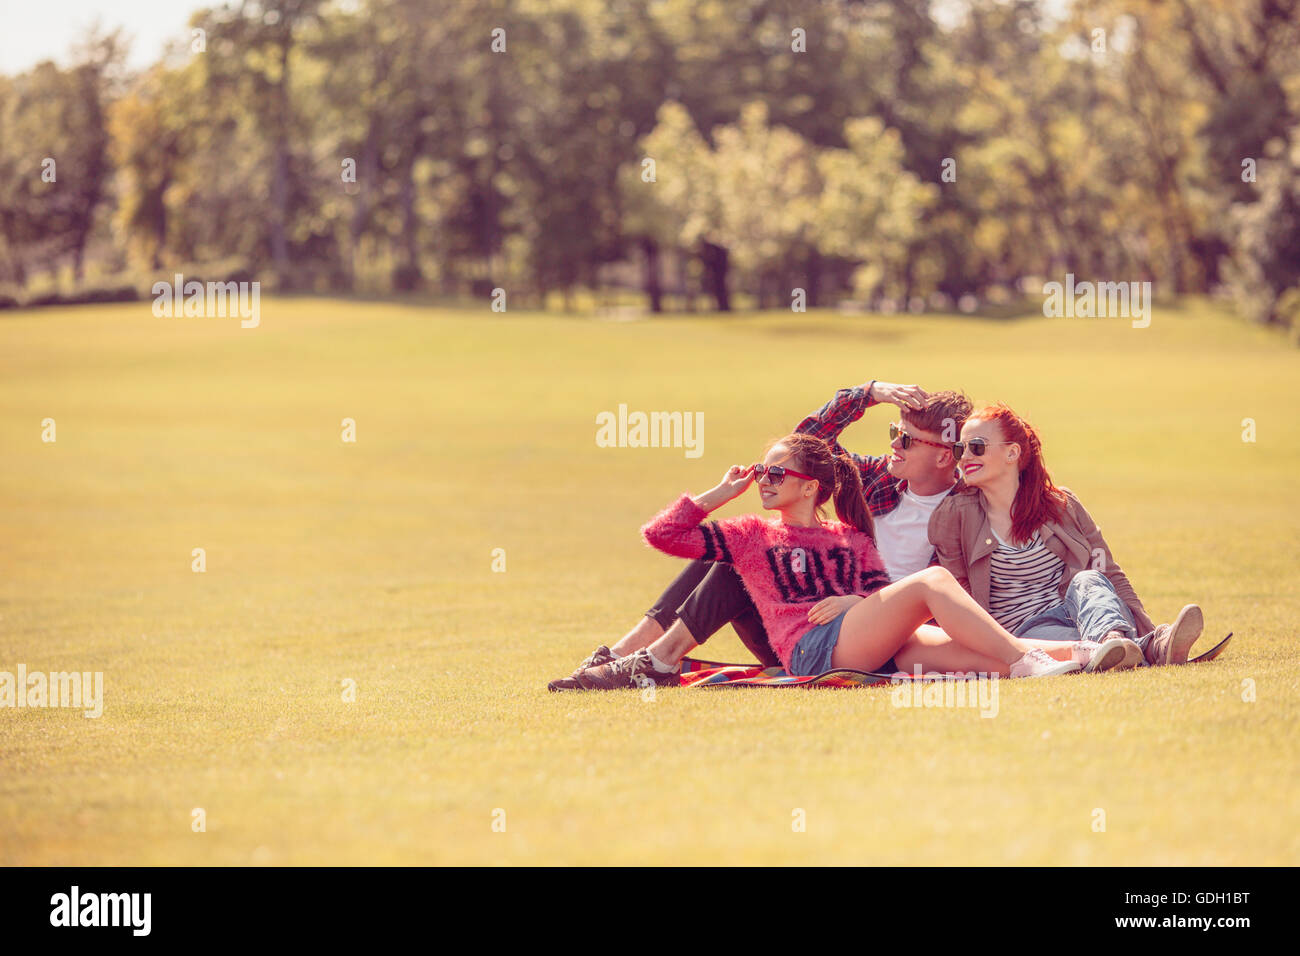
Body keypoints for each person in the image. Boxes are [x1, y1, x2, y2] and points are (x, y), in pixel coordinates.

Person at [550, 433, 1082, 691]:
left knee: (971, 654)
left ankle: (1087, 653)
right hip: (811, 649)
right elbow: (661, 535)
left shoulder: (849, 536)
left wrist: (857, 600)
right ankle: (1030, 660)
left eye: (775, 474)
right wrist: (719, 493)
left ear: (808, 487)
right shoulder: (752, 535)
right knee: (934, 581)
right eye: (763, 472)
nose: (765, 480)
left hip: (860, 639)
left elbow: (875, 589)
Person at [547, 379, 973, 691]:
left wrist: (862, 602)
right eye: (894, 433)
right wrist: (869, 393)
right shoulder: (876, 477)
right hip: (803, 625)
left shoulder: (968, 510)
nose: (895, 445)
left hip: (867, 640)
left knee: (749, 554)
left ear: (943, 455)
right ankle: (630, 653)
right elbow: (806, 447)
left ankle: (655, 660)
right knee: (739, 552)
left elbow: (940, 598)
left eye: (909, 440)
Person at [926, 402, 1204, 671]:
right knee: (1078, 642)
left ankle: (1116, 643)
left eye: (977, 447)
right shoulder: (954, 517)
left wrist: (1145, 622)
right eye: (960, 448)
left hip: (1086, 613)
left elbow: (1108, 571)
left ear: (1012, 453)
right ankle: (1151, 647)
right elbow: (959, 600)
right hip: (1030, 633)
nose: (965, 457)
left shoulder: (1061, 504)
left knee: (1089, 579)